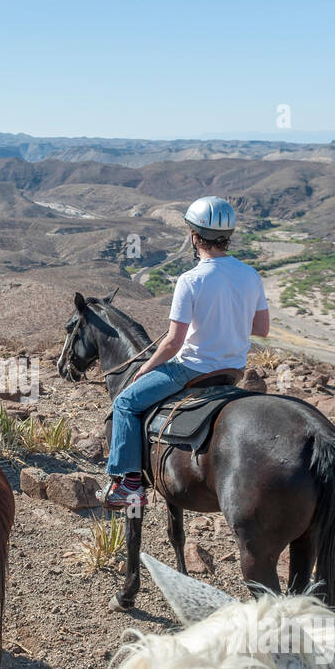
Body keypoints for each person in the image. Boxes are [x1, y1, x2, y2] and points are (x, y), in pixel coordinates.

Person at [100, 196, 270, 509]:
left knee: (125, 402)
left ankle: (129, 485)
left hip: (191, 369)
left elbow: (173, 342)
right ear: (227, 237)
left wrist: (146, 368)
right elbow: (261, 328)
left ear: (194, 237)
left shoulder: (191, 280)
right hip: (232, 370)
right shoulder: (250, 274)